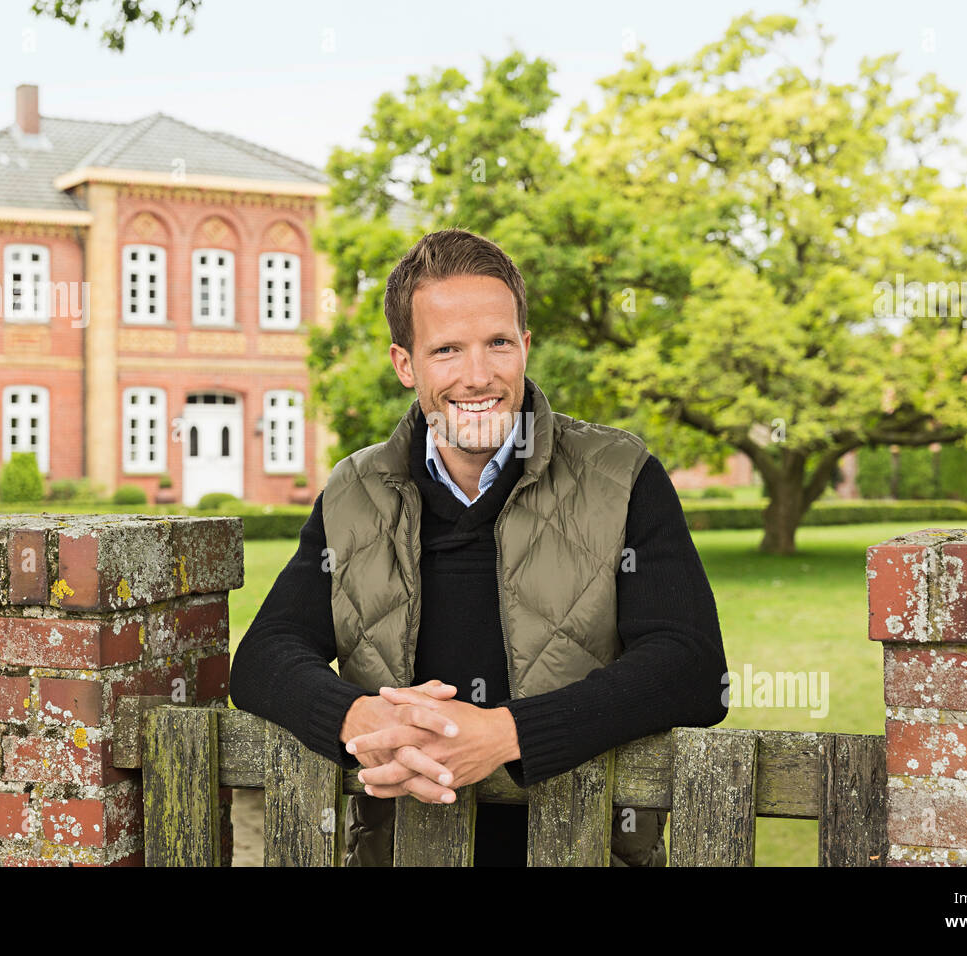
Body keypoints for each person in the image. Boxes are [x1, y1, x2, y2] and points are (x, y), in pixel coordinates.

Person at [229, 227, 729, 866]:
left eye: (498, 343)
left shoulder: (621, 474)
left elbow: (692, 667)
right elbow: (265, 655)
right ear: (405, 364)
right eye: (446, 350)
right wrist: (360, 719)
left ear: (525, 346)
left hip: (578, 852)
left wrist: (502, 734)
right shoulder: (355, 492)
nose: (478, 376)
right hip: (400, 853)